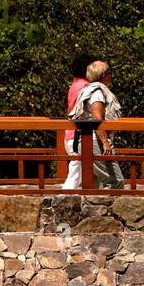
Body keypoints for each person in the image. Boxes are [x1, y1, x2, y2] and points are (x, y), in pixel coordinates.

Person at [67, 60, 125, 190]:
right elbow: (97, 118)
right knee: (115, 181)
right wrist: (105, 141)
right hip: (95, 141)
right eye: (110, 73)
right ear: (104, 75)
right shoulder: (97, 92)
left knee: (91, 183)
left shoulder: (88, 90)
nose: (111, 76)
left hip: (87, 141)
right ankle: (110, 209)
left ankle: (92, 209)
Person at [61, 53, 94, 190]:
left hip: (71, 134)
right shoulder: (85, 87)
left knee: (78, 170)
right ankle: (63, 198)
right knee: (75, 173)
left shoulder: (75, 84)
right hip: (78, 135)